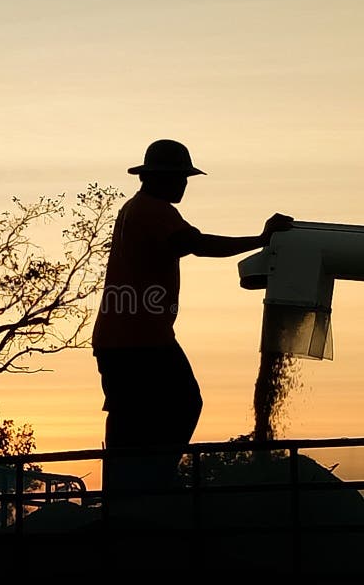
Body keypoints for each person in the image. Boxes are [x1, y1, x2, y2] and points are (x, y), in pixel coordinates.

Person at [92, 139, 293, 495]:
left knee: (136, 415)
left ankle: (132, 491)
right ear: (160, 178)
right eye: (180, 177)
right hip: (138, 340)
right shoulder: (154, 211)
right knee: (178, 403)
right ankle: (146, 486)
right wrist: (261, 239)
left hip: (127, 338)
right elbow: (197, 244)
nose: (184, 184)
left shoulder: (138, 209)